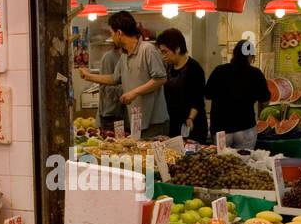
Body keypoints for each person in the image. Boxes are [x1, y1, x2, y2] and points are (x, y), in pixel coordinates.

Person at [79, 10, 168, 138]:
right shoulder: (124, 56)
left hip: (154, 123)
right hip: (137, 122)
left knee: (152, 158)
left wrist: (134, 92)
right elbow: (114, 78)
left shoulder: (147, 50)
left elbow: (160, 79)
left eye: (112, 33)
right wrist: (88, 76)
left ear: (119, 33)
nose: (112, 38)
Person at [204, 37, 271, 149]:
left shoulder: (219, 71)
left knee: (222, 164)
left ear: (234, 54)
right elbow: (265, 101)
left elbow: (207, 94)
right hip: (245, 129)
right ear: (250, 56)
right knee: (244, 164)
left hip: (221, 131)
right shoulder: (256, 74)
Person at [155, 28, 209, 143]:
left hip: (192, 124)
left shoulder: (194, 68)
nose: (163, 56)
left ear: (178, 49)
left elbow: (198, 99)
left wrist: (190, 118)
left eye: (165, 52)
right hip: (174, 123)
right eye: (162, 52)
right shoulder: (168, 68)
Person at [93, 47, 124, 132]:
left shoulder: (125, 57)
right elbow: (107, 88)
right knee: (111, 142)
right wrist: (128, 89)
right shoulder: (109, 57)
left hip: (122, 113)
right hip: (111, 115)